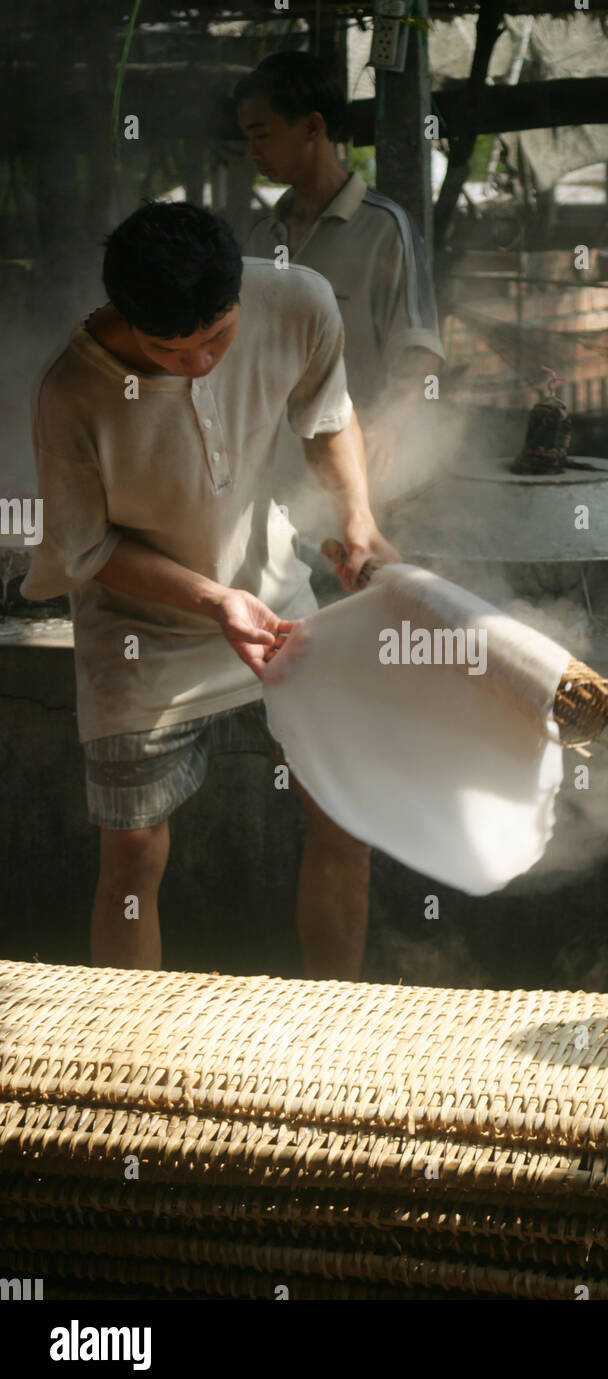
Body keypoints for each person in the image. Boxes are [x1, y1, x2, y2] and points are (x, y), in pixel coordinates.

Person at [21, 199, 398, 978]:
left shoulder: (299, 301)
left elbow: (327, 419)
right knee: (132, 852)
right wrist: (211, 599)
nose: (198, 364)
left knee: (345, 813)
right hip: (138, 635)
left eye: (216, 339)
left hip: (278, 604)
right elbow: (87, 548)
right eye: (169, 350)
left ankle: (337, 1020)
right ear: (126, 316)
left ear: (240, 297)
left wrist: (357, 517)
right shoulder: (71, 393)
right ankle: (127, 1070)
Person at [234, 50, 444, 514]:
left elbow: (419, 349)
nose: (253, 153)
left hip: (362, 467)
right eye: (248, 138)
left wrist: (387, 425)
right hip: (274, 471)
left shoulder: (386, 228)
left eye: (261, 135)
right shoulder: (261, 237)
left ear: (312, 127)